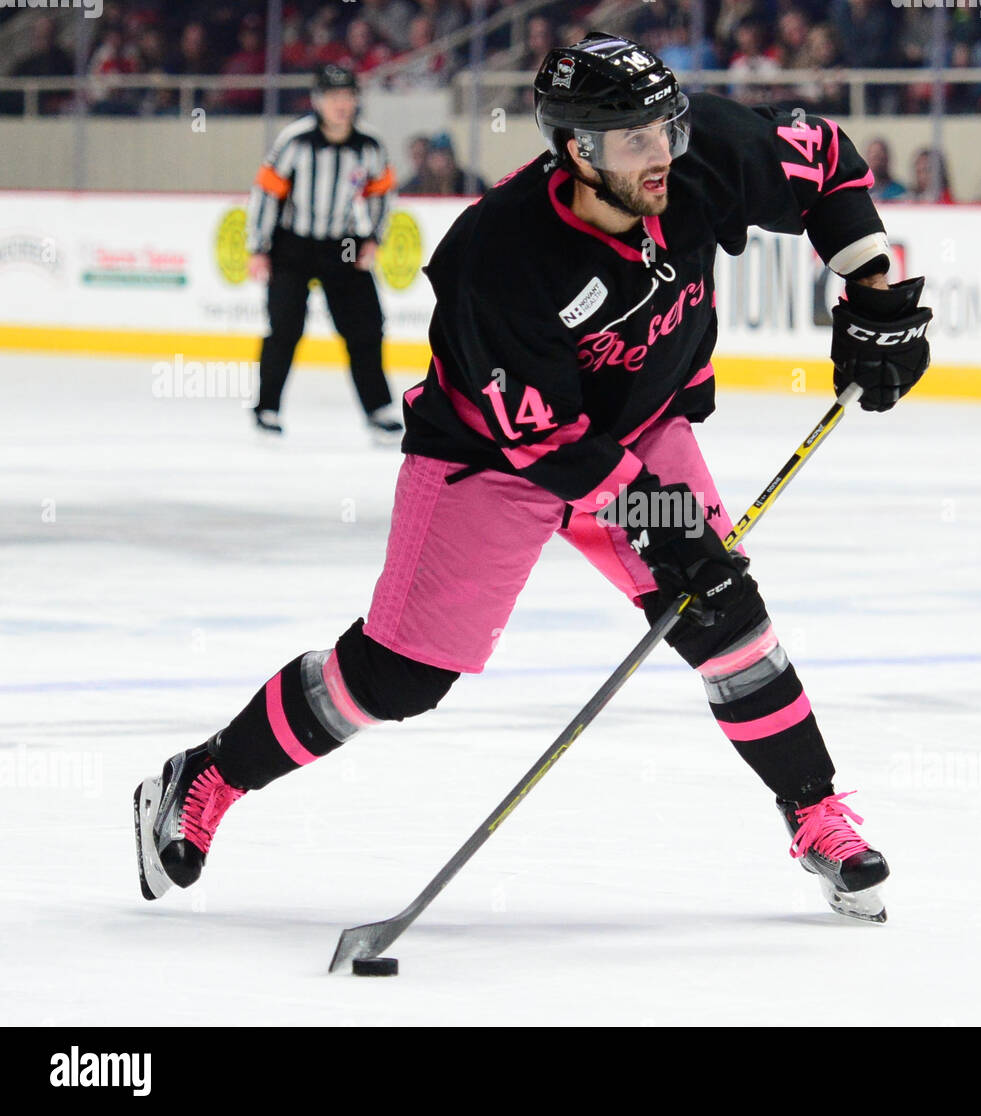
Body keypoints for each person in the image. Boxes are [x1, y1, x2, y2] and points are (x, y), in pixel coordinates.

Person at [134, 32, 934, 925]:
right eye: (634, 140)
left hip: (637, 421)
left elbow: (826, 162)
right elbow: (549, 443)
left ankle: (815, 814)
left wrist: (873, 293)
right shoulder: (501, 256)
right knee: (398, 679)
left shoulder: (696, 150)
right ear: (576, 149)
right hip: (490, 455)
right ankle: (205, 775)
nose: (662, 153)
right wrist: (670, 523)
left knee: (724, 615)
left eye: (665, 127)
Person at [243, 64, 402, 441]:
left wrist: (373, 239)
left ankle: (378, 409)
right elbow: (266, 194)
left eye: (347, 96)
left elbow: (382, 194)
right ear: (317, 101)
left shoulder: (370, 145)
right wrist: (259, 247)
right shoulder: (294, 140)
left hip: (343, 244)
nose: (341, 104)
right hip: (292, 243)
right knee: (284, 327)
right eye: (333, 97)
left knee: (365, 326)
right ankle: (267, 407)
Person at [401, 132, 488, 196]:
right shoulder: (416, 186)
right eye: (436, 158)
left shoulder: (471, 184)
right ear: (429, 160)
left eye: (446, 157)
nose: (442, 164)